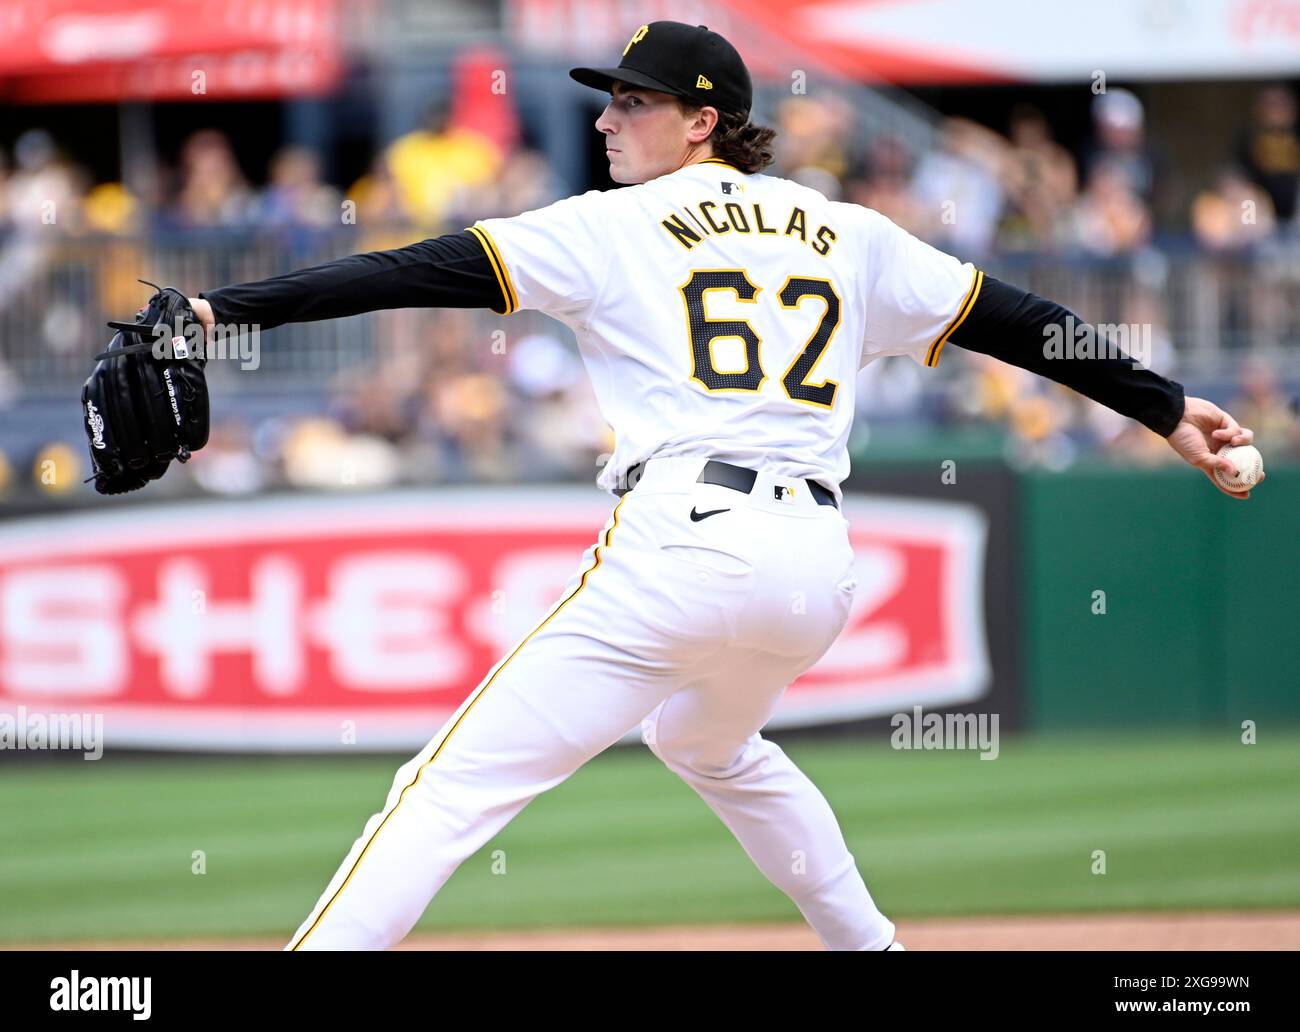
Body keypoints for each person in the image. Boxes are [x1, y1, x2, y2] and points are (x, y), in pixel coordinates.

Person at [185, 21, 1260, 951]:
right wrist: (1166, 406)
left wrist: (222, 312)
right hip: (815, 569)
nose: (607, 121)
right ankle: (870, 943)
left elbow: (407, 269)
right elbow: (1023, 322)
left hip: (683, 540)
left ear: (702, 120)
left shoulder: (610, 225)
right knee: (703, 739)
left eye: (632, 102)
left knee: (449, 786)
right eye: (607, 101)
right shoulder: (846, 230)